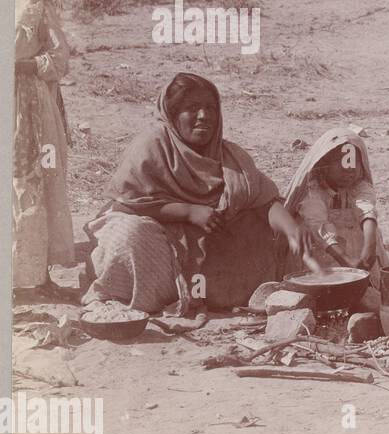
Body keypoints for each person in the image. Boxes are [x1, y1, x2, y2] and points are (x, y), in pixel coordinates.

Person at [82, 73, 313, 313]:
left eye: (211, 108)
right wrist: (187, 211)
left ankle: (221, 295)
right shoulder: (152, 145)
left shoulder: (230, 156)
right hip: (158, 232)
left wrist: (292, 230)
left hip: (210, 242)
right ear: (172, 114)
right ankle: (153, 293)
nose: (204, 116)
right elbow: (128, 202)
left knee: (282, 223)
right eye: (192, 108)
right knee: (130, 235)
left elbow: (264, 200)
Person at [13, 0, 76, 301]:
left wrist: (27, 65)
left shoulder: (39, 2)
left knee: (35, 181)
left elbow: (60, 58)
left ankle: (37, 274)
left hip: (31, 104)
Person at [284, 128, 388, 295]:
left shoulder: (359, 186)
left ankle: (368, 285)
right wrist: (345, 260)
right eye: (342, 167)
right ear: (324, 166)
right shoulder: (313, 190)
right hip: (324, 250)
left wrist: (370, 248)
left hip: (356, 254)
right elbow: (317, 225)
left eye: (354, 168)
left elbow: (366, 208)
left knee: (370, 228)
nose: (348, 174)